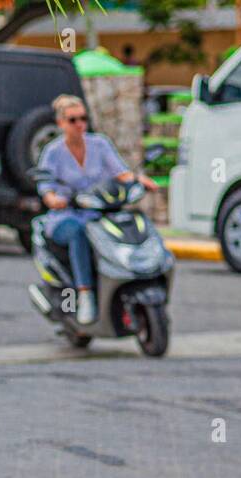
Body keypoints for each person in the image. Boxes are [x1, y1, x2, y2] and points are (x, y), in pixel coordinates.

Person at [37, 94, 157, 325]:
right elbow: (46, 187)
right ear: (61, 123)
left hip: (98, 212)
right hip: (67, 216)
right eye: (73, 120)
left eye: (83, 118)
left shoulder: (99, 144)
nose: (80, 124)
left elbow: (120, 172)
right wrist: (54, 199)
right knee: (80, 232)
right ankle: (85, 293)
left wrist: (139, 180)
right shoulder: (53, 152)